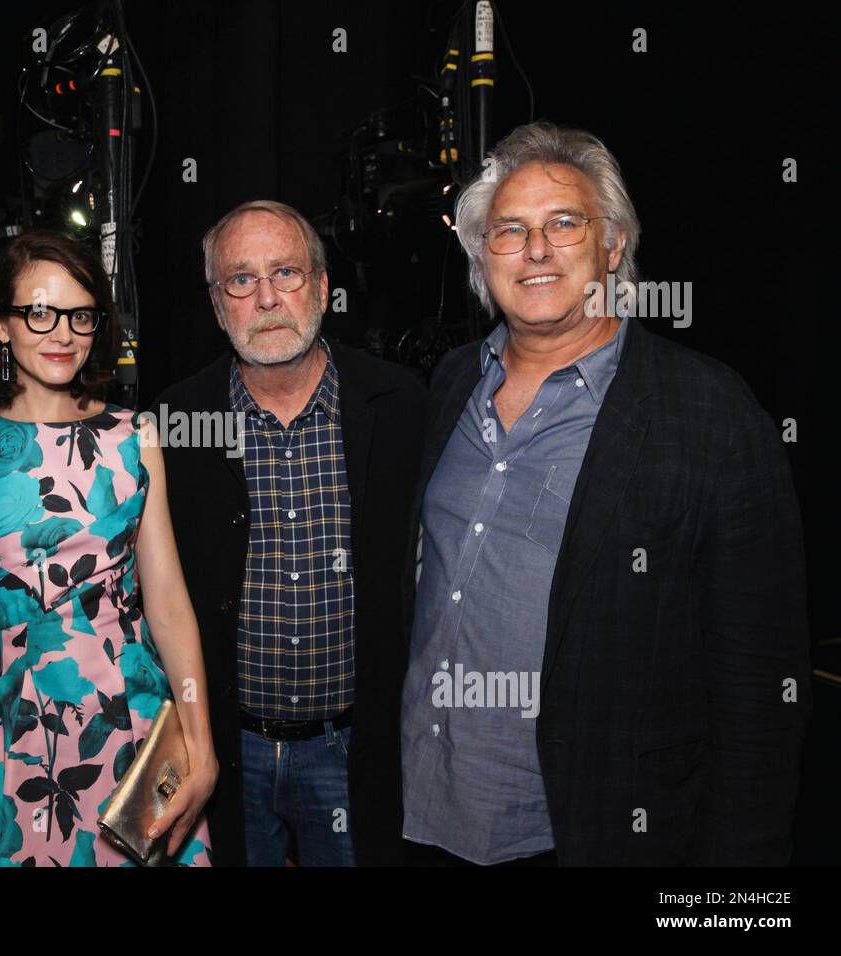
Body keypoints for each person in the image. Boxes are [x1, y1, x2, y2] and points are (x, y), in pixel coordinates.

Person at [400, 121, 811, 866]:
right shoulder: (451, 382)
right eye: (508, 231)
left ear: (613, 246)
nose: (535, 250)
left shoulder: (708, 412)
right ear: (479, 257)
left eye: (563, 223)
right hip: (427, 816)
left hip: (591, 833)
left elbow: (760, 689)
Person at [149, 200, 427, 865]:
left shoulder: (404, 407)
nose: (267, 298)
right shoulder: (170, 423)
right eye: (241, 281)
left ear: (325, 288)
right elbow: (137, 579)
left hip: (359, 750)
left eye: (287, 273)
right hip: (225, 751)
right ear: (218, 307)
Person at [0, 230, 216, 866]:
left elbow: (168, 603)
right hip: (1, 715)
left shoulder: (135, 437)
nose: (62, 333)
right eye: (39, 312)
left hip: (124, 710)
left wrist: (200, 741)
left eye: (80, 315)